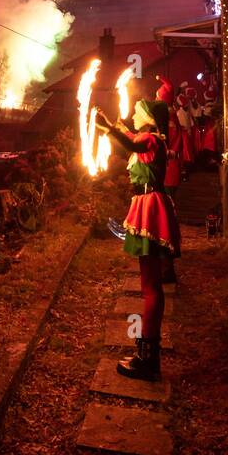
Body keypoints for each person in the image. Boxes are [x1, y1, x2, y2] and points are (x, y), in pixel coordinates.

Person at [95, 98, 181, 381]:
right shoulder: (152, 139)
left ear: (149, 116)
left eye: (138, 109)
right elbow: (131, 139)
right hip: (149, 204)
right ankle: (148, 353)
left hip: (150, 207)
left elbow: (133, 143)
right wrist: (112, 125)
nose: (133, 112)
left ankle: (148, 359)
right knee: (150, 285)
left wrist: (110, 128)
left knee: (151, 286)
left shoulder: (152, 139)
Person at [154, 79, 182, 284]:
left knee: (167, 214)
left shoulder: (167, 119)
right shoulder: (168, 117)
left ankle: (166, 266)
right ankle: (166, 264)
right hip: (167, 171)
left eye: (157, 96)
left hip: (167, 173)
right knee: (167, 213)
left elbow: (166, 147)